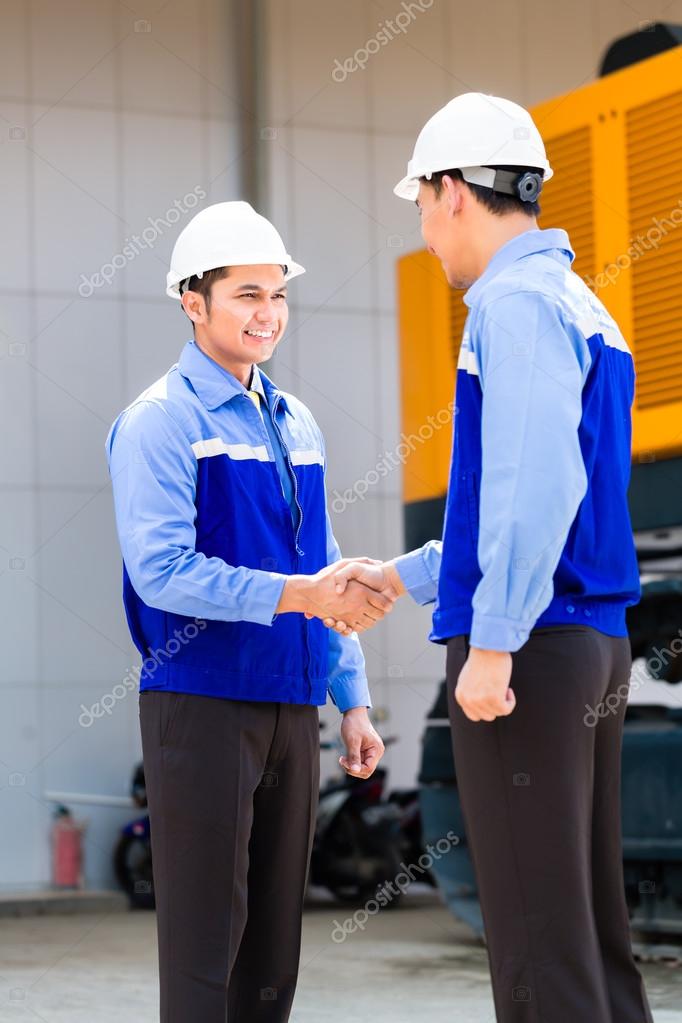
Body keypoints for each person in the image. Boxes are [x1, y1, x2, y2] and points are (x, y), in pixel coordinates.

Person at [327, 93, 653, 1023]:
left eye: (421, 205)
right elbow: (529, 500)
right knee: (585, 927)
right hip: (587, 638)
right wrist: (404, 576)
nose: (425, 232)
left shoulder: (509, 305)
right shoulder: (579, 302)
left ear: (452, 191)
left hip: (534, 651)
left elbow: (531, 486)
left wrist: (495, 638)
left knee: (536, 942)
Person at [105, 201, 394, 1023]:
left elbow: (324, 564)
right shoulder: (160, 421)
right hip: (201, 702)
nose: (267, 314)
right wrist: (297, 595)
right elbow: (161, 570)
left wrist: (354, 698)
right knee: (204, 942)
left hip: (293, 705)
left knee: (273, 944)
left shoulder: (295, 421)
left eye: (276, 294)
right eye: (245, 295)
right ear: (192, 303)